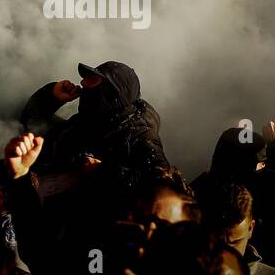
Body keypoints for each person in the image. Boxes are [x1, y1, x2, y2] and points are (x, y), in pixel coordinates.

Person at [19, 60, 168, 190]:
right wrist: (51, 96)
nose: (83, 83)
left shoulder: (139, 137)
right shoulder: (87, 122)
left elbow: (163, 184)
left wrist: (102, 171)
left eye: (93, 80)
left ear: (112, 93)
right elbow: (32, 128)